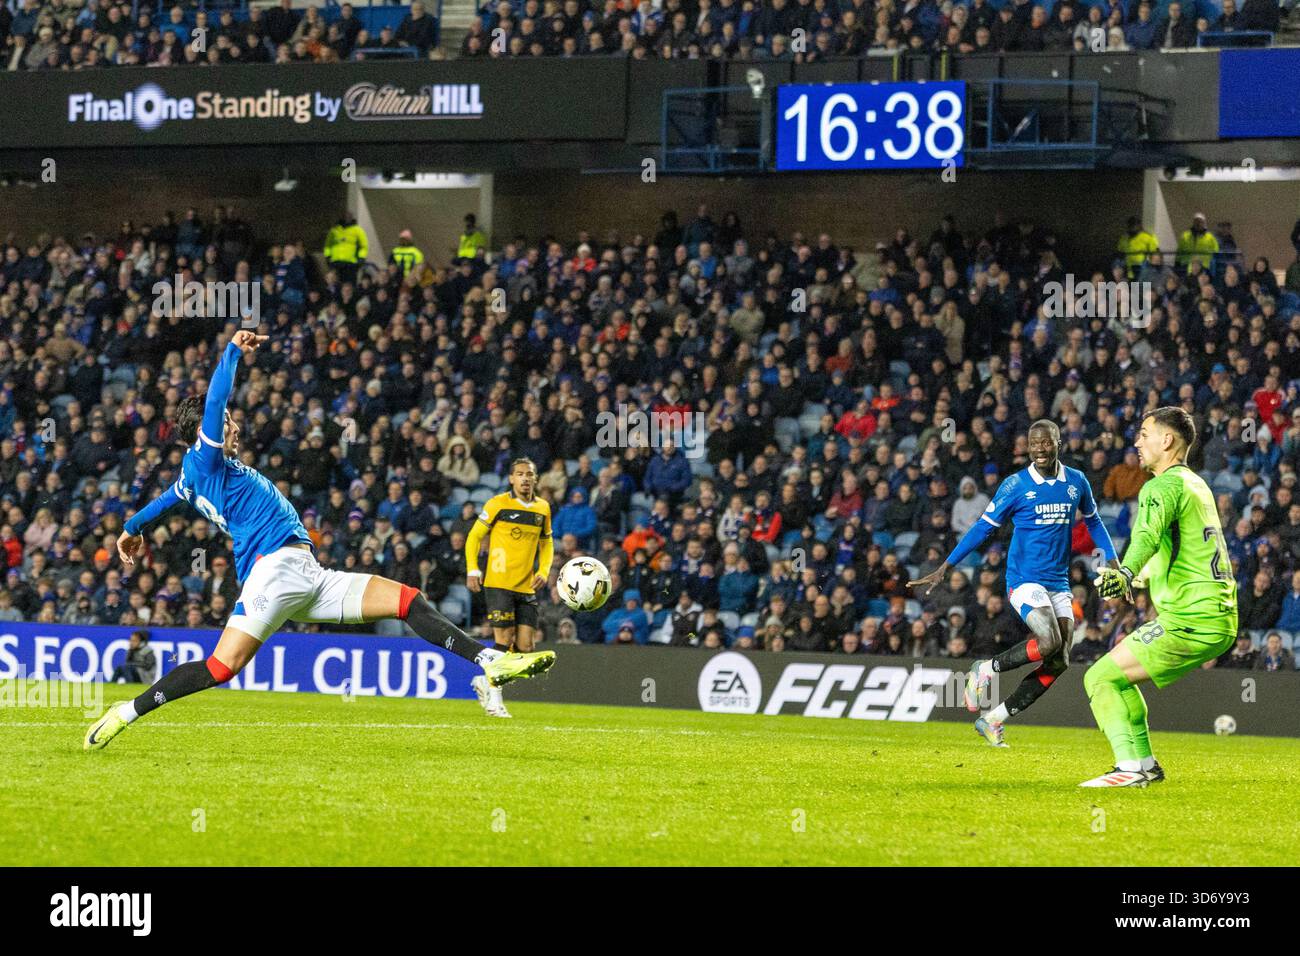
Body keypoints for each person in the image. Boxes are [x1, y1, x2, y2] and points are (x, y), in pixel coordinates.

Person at [85, 332, 554, 751]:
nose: (234, 425)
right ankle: (126, 713)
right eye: (227, 421)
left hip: (307, 576)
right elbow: (213, 400)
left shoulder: (193, 478)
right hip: (273, 571)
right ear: (205, 433)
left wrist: (132, 527)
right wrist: (231, 350)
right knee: (220, 667)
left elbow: (164, 501)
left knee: (408, 600)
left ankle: (487, 660)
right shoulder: (205, 459)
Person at [910, 420, 1117, 747]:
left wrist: (1113, 560)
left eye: (1045, 443)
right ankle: (986, 668)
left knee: (1060, 660)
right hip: (1024, 579)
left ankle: (993, 720)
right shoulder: (1015, 485)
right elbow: (982, 528)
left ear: (1058, 442)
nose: (1039, 449)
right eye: (1033, 444)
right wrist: (947, 565)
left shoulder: (1077, 481)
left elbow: (1093, 520)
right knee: (1047, 641)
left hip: (1058, 582)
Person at [1085, 407, 1238, 787]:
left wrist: (1124, 572)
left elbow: (1146, 538)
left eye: (1144, 433)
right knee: (1120, 680)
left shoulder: (1160, 486)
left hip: (1192, 617)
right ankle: (1145, 765)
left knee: (1099, 678)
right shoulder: (1196, 485)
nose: (1137, 441)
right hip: (1217, 616)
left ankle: (1128, 769)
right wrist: (1134, 580)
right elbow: (1174, 552)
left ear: (1166, 440)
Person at [464, 457, 554, 718]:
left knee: (525, 649)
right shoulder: (497, 504)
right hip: (499, 583)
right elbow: (474, 536)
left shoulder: (543, 508)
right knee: (503, 642)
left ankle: (485, 681)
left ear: (536, 479)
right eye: (520, 474)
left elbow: (547, 543)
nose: (525, 478)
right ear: (511, 479)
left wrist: (544, 570)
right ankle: (495, 698)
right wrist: (473, 568)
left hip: (526, 587)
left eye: (530, 474)